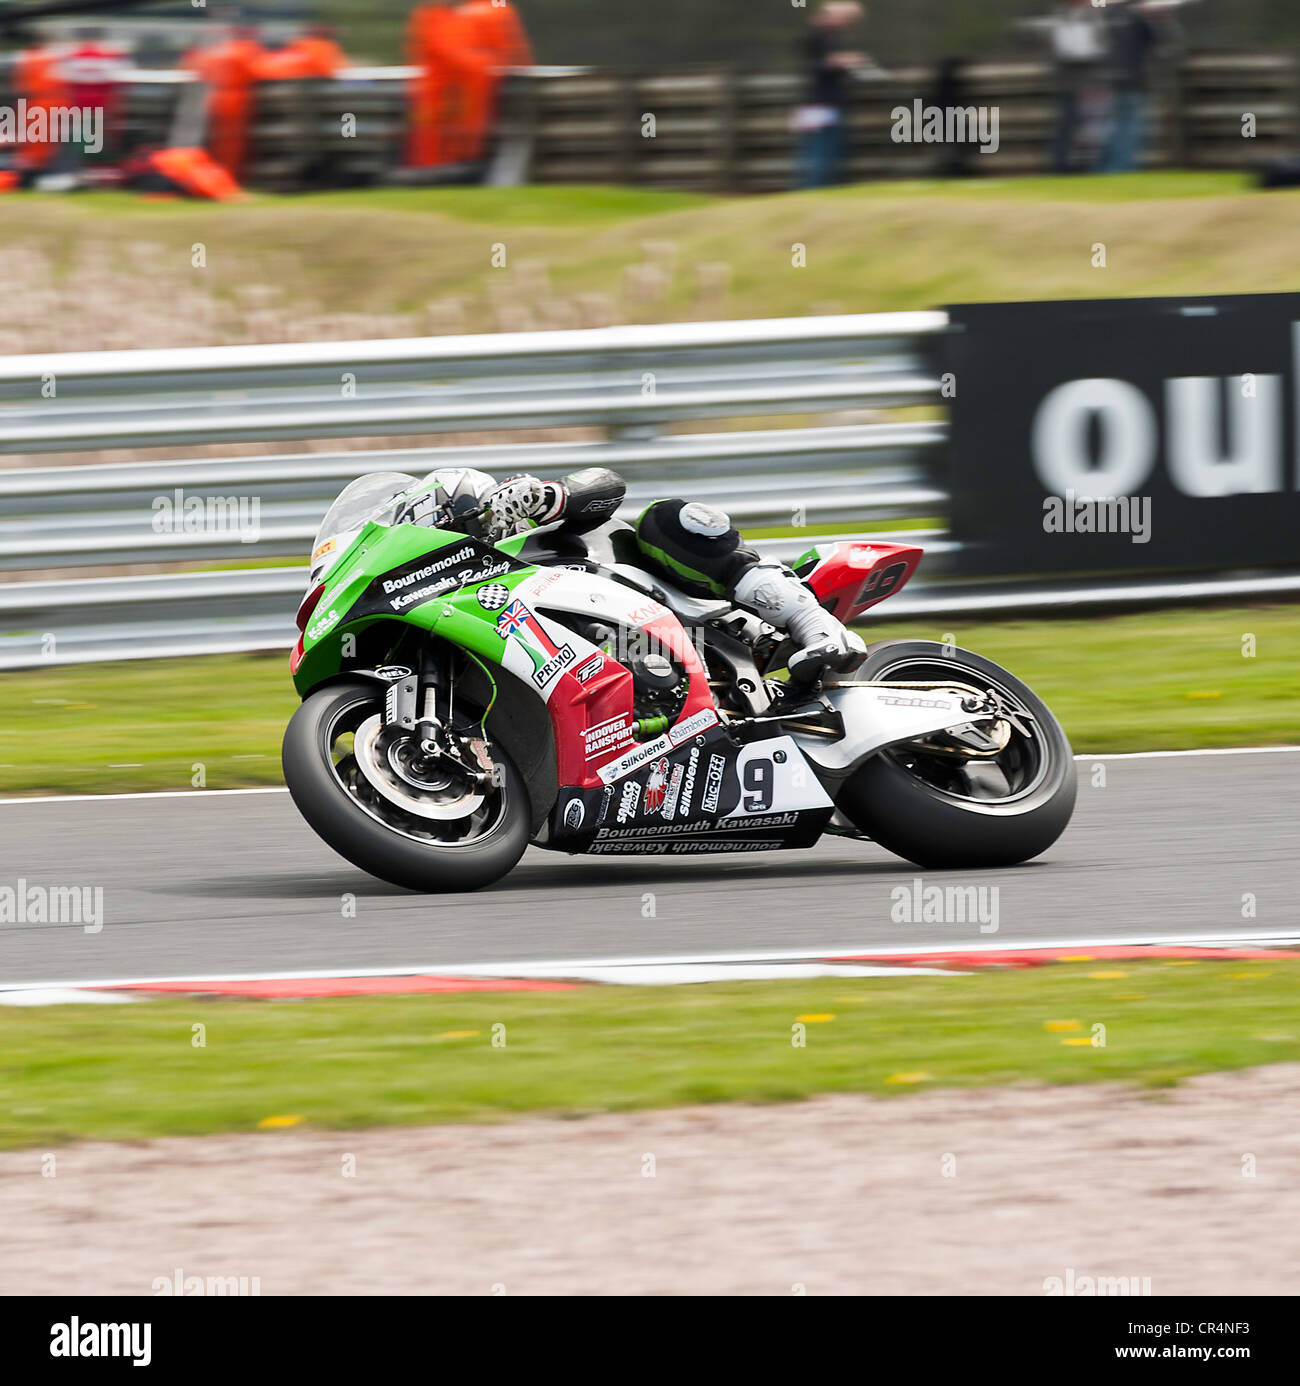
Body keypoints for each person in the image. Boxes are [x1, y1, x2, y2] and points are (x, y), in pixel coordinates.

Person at [391, 467, 864, 685]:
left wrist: (548, 497)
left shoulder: (528, 524)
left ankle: (816, 627)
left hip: (685, 609)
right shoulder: (461, 595)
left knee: (670, 518)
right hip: (626, 661)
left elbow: (607, 485)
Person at [793, 1, 871, 189]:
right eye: (847, 18)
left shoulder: (829, 38)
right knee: (820, 158)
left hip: (825, 106)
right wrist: (840, 62)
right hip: (820, 107)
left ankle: (816, 190)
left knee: (823, 156)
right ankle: (812, 192)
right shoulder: (817, 37)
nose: (848, 23)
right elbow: (817, 65)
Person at [1096, 1, 1171, 173]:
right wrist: (1159, 18)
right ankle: (1123, 166)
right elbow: (1159, 40)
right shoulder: (1138, 17)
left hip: (1113, 78)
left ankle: (1107, 166)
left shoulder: (1108, 15)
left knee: (1115, 124)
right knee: (1131, 126)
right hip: (1135, 79)